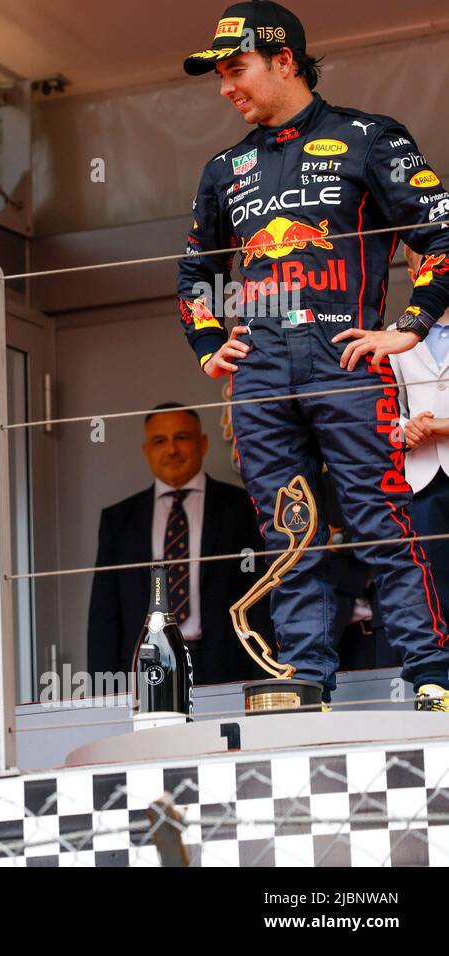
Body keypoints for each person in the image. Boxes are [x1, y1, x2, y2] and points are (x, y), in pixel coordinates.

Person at [177, 1, 449, 707]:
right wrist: (210, 342)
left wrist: (412, 326)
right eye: (220, 75)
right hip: (260, 372)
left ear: (286, 61)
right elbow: (195, 272)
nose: (225, 88)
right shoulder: (224, 167)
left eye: (236, 69)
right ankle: (305, 679)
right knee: (287, 530)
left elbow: (442, 237)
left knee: (381, 518)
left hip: (348, 358)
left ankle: (430, 675)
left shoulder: (369, 138)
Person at [87, 404, 269, 685]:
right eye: (160, 441)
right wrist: (103, 690)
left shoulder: (243, 508)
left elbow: (261, 597)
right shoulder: (119, 520)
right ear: (146, 451)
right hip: (145, 673)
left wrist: (265, 676)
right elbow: (105, 614)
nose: (171, 449)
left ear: (203, 444)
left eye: (182, 437)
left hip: (230, 669)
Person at [391, 245, 449, 608]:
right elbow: (386, 410)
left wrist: (442, 426)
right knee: (433, 594)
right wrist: (404, 429)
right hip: (423, 482)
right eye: (429, 269)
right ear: (414, 277)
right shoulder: (392, 337)